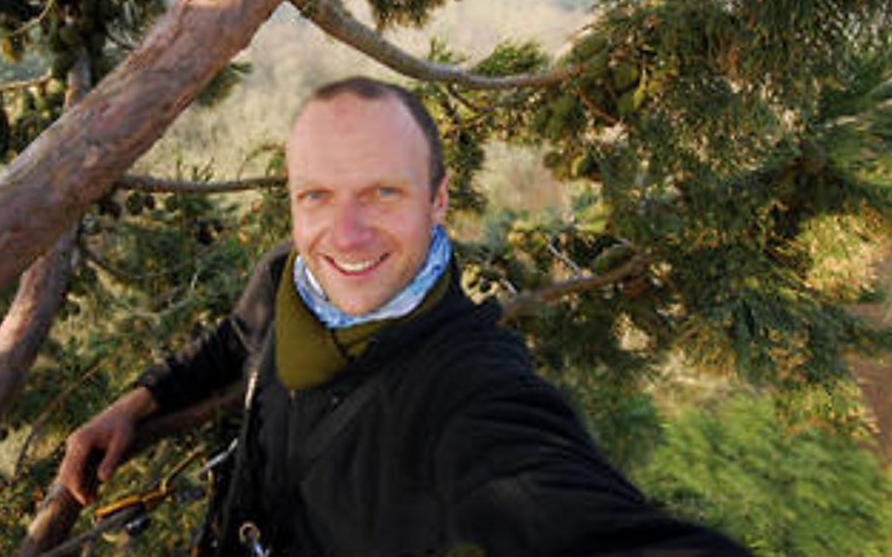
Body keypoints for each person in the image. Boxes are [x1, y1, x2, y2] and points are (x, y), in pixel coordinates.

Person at [57, 77, 750, 556]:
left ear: (438, 199)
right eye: (317, 196)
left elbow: (559, 503)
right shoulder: (285, 279)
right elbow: (229, 347)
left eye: (383, 192)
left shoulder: (468, 382)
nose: (347, 234)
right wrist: (135, 403)